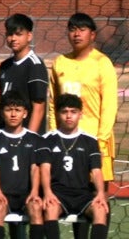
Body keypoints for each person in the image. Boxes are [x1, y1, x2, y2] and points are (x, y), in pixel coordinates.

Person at [48, 12, 118, 184]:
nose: (77, 34)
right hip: (65, 140)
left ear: (92, 34)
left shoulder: (102, 63)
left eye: (82, 29)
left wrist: (100, 142)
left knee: (98, 197)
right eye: (72, 30)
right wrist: (53, 134)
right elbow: (53, 104)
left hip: (95, 139)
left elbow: (109, 106)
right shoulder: (59, 62)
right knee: (65, 190)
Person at [39, 94, 108, 239]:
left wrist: (100, 192)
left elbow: (96, 171)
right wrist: (47, 192)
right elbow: (44, 169)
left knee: (101, 209)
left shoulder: (90, 141)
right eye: (64, 112)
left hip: (82, 195)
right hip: (58, 194)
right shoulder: (47, 140)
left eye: (73, 112)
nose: (68, 116)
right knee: (50, 208)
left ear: (80, 114)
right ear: (58, 114)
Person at [0, 95, 44, 239]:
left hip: (26, 194)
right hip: (4, 193)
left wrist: (35, 191)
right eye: (9, 110)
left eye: (17, 110)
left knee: (36, 208)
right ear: (2, 113)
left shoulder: (35, 139)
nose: (13, 114)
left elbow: (35, 168)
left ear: (25, 113)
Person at [0, 13, 48, 134]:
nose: (13, 38)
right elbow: (3, 103)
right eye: (10, 34)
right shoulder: (5, 66)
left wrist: (29, 139)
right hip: (5, 135)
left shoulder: (35, 66)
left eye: (18, 34)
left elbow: (39, 107)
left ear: (29, 36)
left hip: (26, 138)